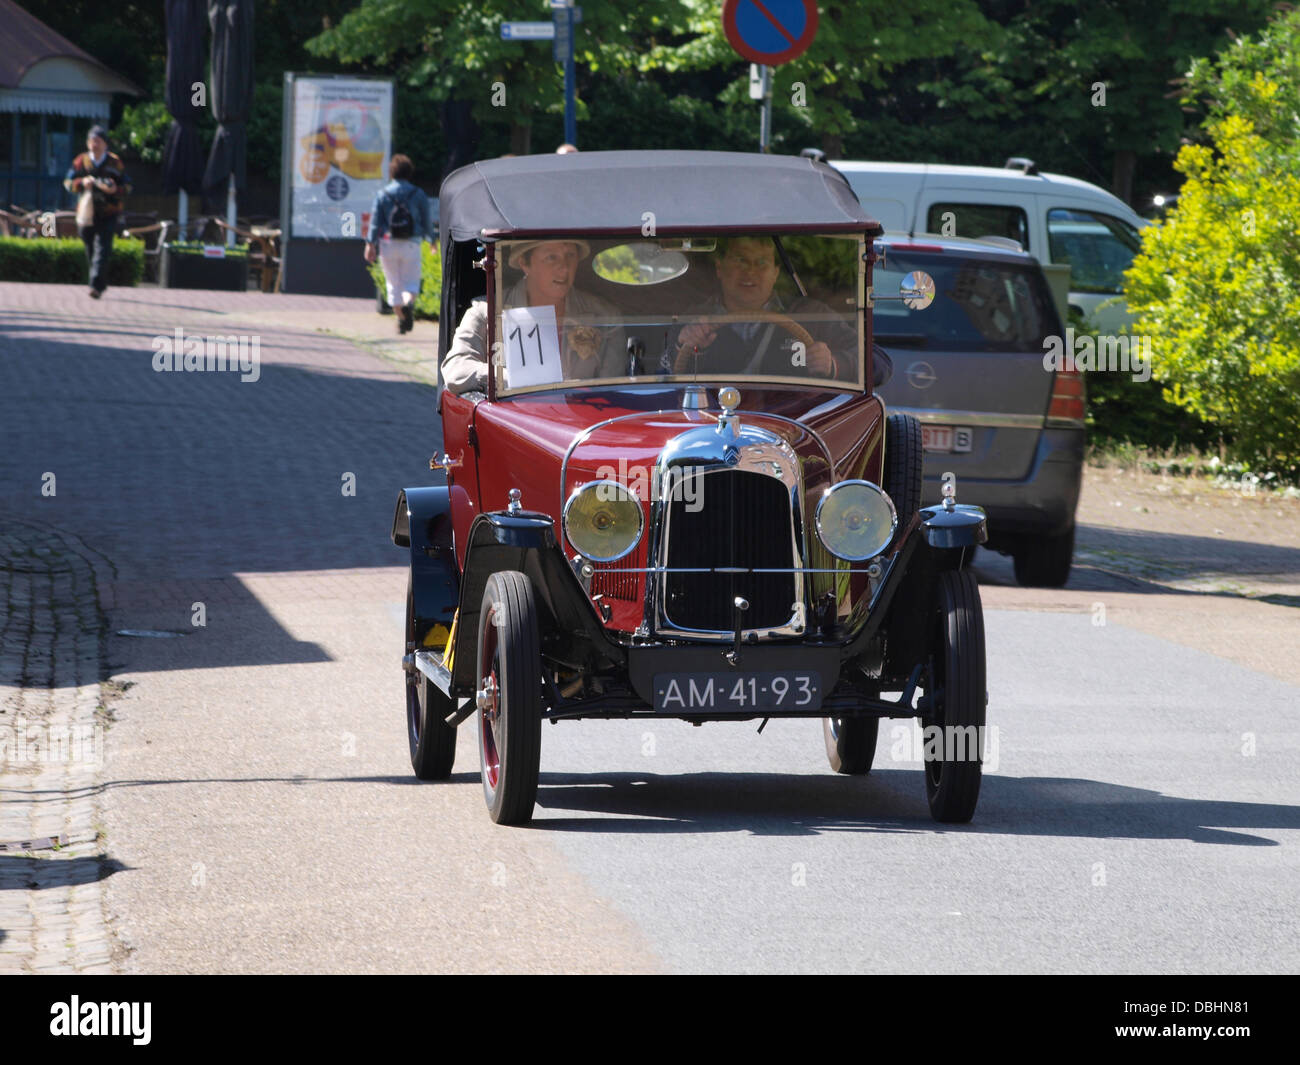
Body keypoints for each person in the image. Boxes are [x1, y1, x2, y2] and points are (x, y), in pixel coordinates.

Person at [667, 236, 890, 385]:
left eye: (761, 263)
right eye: (740, 260)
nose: (750, 272)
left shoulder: (810, 315)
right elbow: (655, 380)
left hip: (793, 431)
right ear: (720, 268)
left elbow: (880, 364)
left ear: (775, 273)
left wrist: (833, 364)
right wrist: (682, 345)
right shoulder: (694, 319)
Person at [442, 240, 624, 394]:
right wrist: (516, 379)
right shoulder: (485, 312)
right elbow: (456, 370)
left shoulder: (606, 316)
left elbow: (613, 391)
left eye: (570, 255)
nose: (564, 267)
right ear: (524, 263)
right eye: (551, 257)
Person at [364, 154, 433, 334]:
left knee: (393, 283)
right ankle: (408, 303)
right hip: (411, 243)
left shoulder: (383, 194)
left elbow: (374, 222)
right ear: (410, 172)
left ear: (392, 172)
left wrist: (370, 244)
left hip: (388, 243)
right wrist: (432, 241)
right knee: (411, 282)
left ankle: (401, 318)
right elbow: (426, 220)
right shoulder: (418, 194)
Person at [63, 126, 132, 300]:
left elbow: (128, 186)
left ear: (105, 144)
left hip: (109, 212)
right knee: (90, 247)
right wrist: (81, 183)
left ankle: (96, 286)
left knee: (103, 248)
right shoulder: (81, 161)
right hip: (87, 213)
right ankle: (98, 280)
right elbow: (67, 182)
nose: (94, 144)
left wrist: (115, 189)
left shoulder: (115, 162)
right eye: (92, 141)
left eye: (98, 141)